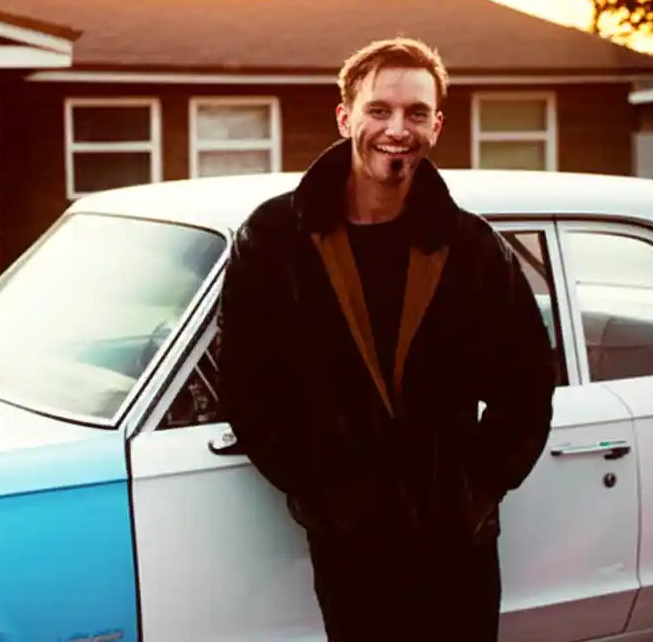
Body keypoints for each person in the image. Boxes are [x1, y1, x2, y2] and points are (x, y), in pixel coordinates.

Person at [217, 37, 556, 641]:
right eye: (379, 110)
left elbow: (526, 385)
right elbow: (246, 384)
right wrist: (320, 492)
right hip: (349, 543)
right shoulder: (275, 238)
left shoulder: (473, 248)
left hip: (458, 545)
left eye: (416, 113)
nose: (397, 128)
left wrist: (474, 491)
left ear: (437, 125)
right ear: (345, 117)